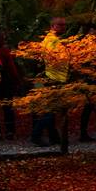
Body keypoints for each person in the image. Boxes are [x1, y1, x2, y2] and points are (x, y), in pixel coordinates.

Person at [31, 17, 70, 147]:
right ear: (53, 26)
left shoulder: (54, 40)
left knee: (52, 109)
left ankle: (54, 137)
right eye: (60, 25)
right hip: (54, 77)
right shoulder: (52, 40)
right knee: (51, 109)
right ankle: (36, 135)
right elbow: (59, 58)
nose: (63, 27)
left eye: (64, 25)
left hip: (56, 76)